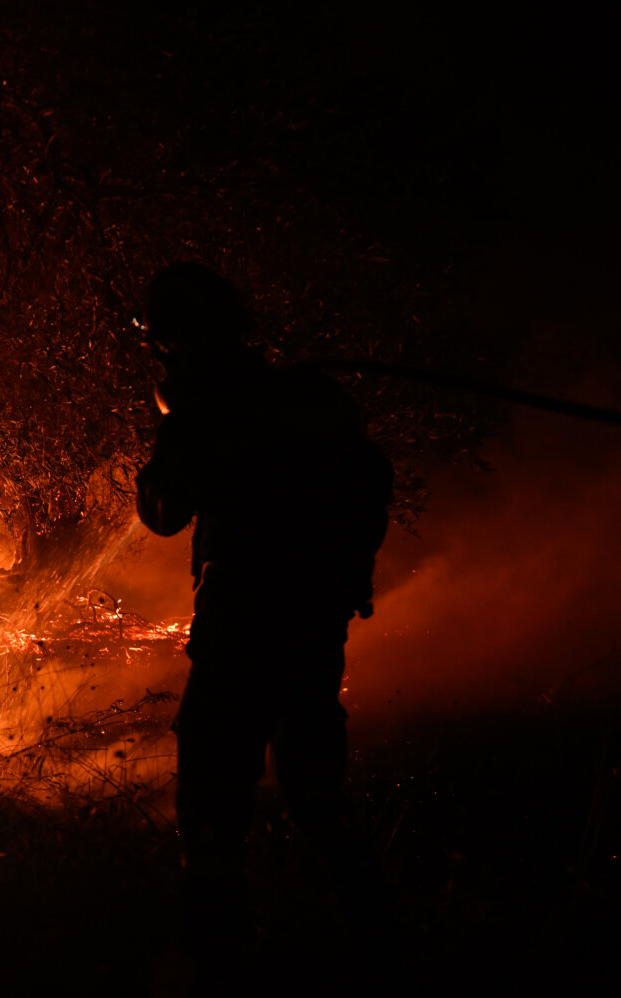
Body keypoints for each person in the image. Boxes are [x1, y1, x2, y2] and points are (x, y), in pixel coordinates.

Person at [134, 262, 393, 953]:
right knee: (315, 792)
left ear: (174, 340)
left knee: (213, 802)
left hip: (242, 622)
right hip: (314, 624)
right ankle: (382, 946)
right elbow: (369, 484)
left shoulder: (208, 409)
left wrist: (175, 428)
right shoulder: (307, 398)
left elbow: (163, 512)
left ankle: (220, 965)